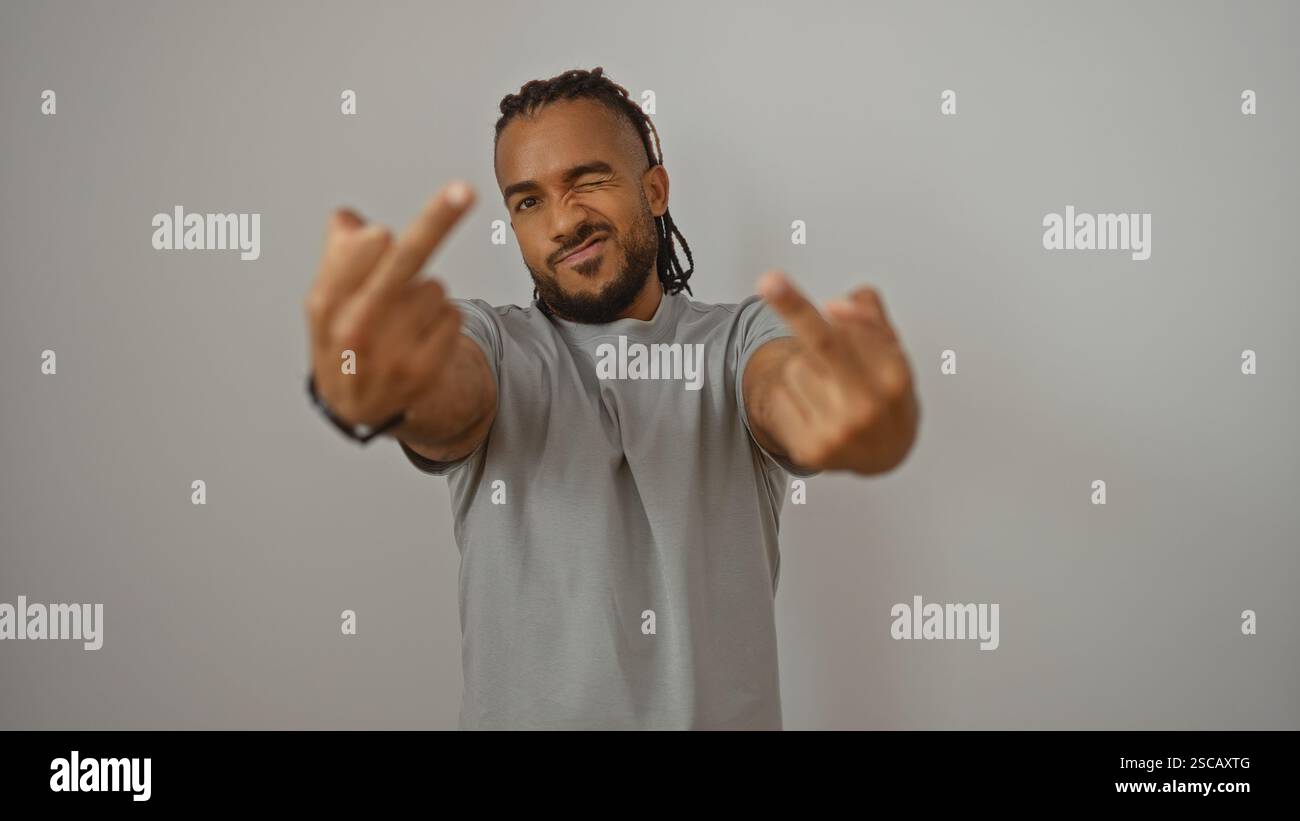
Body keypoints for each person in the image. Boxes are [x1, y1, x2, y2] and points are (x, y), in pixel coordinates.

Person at [303, 67, 921, 729]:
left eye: (587, 181)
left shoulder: (739, 339)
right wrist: (382, 387)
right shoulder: (492, 344)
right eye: (528, 201)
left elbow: (788, 388)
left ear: (654, 189)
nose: (564, 221)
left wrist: (860, 419)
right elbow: (447, 393)